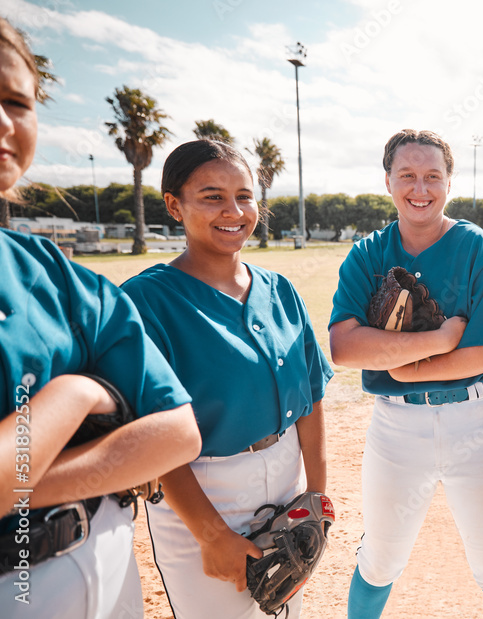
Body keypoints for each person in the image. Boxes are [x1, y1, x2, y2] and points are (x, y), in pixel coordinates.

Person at [0, 18, 202, 618]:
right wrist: (75, 394)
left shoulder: (51, 271)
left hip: (107, 564)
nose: (4, 122)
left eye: (16, 102)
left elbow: (177, 433)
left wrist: (22, 485)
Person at [120, 140, 334, 619]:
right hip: (204, 492)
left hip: (289, 481)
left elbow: (312, 400)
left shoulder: (280, 290)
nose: (233, 211)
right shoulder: (145, 301)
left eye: (244, 196)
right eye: (212, 196)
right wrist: (212, 535)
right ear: (174, 205)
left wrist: (316, 497)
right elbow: (152, 436)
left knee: (286, 612)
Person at [329, 129, 483, 619]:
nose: (420, 188)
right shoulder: (368, 253)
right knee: (379, 559)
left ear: (449, 183)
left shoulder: (477, 248)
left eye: (433, 176)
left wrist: (399, 366)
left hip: (478, 421)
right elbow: (344, 346)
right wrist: (438, 341)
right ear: (388, 181)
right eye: (408, 175)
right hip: (396, 426)